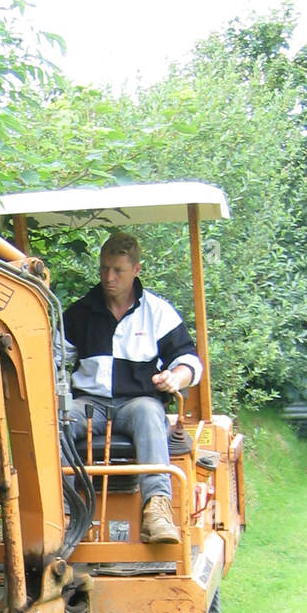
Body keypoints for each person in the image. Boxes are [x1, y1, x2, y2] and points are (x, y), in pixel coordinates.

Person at [62, 231, 201, 544]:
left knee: (151, 414)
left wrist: (176, 377)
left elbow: (189, 359)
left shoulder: (157, 312)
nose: (109, 278)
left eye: (118, 271)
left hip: (137, 402)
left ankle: (157, 510)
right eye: (104, 269)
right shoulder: (79, 313)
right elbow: (53, 358)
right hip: (89, 405)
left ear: (136, 270)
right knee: (55, 420)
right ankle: (62, 512)